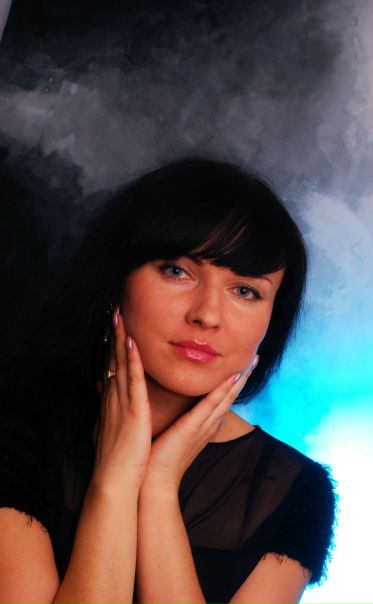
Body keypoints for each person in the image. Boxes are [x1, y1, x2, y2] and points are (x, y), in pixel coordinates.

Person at [0, 157, 336, 604]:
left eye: (245, 291)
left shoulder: (293, 491)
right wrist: (117, 482)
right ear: (116, 280)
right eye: (178, 271)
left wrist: (159, 488)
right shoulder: (13, 430)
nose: (207, 314)